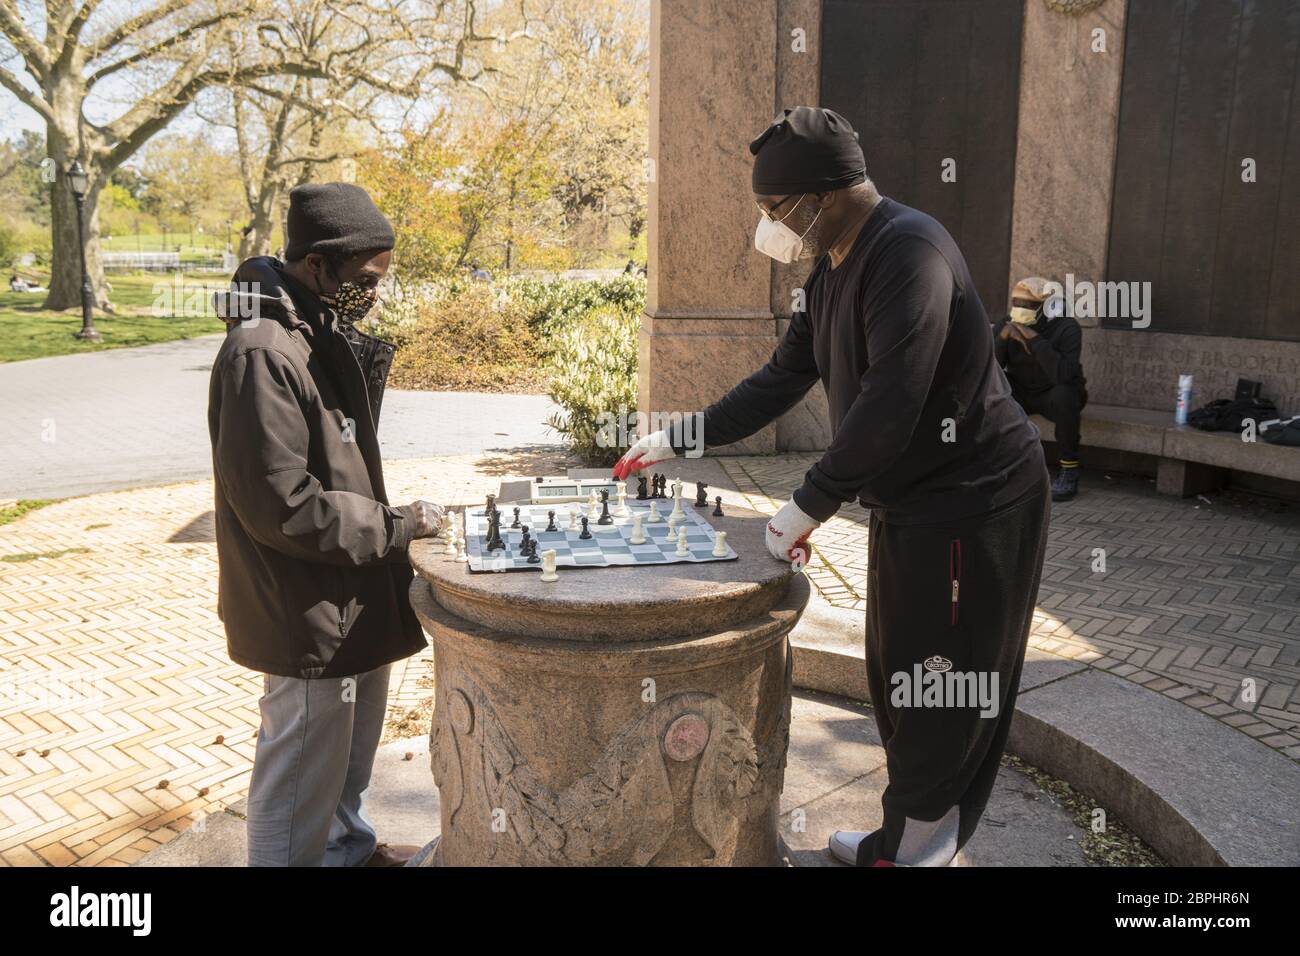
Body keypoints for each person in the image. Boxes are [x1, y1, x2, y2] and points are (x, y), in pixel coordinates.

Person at [614, 107, 1050, 868]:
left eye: (774, 209)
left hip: (974, 503)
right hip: (911, 503)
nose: (769, 227)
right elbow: (780, 379)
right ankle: (897, 835)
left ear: (823, 194)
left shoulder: (908, 253)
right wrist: (679, 435)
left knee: (938, 681)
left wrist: (805, 505)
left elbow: (891, 401)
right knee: (895, 671)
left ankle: (916, 853)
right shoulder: (830, 270)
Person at [209, 182, 444, 867]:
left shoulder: (316, 325)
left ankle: (346, 852)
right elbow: (280, 502)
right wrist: (396, 526)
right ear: (318, 264)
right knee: (300, 771)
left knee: (346, 757)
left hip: (348, 588)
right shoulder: (263, 350)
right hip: (305, 603)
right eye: (366, 279)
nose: (375, 293)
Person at [992, 276, 1088, 502]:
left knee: (1065, 393)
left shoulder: (1067, 327)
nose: (1020, 309)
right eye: (1016, 303)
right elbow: (990, 369)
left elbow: (1062, 374)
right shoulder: (1006, 323)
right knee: (993, 386)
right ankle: (998, 465)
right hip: (1023, 391)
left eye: (1028, 305)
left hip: (1054, 394)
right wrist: (1003, 339)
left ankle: (1069, 470)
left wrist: (1034, 339)